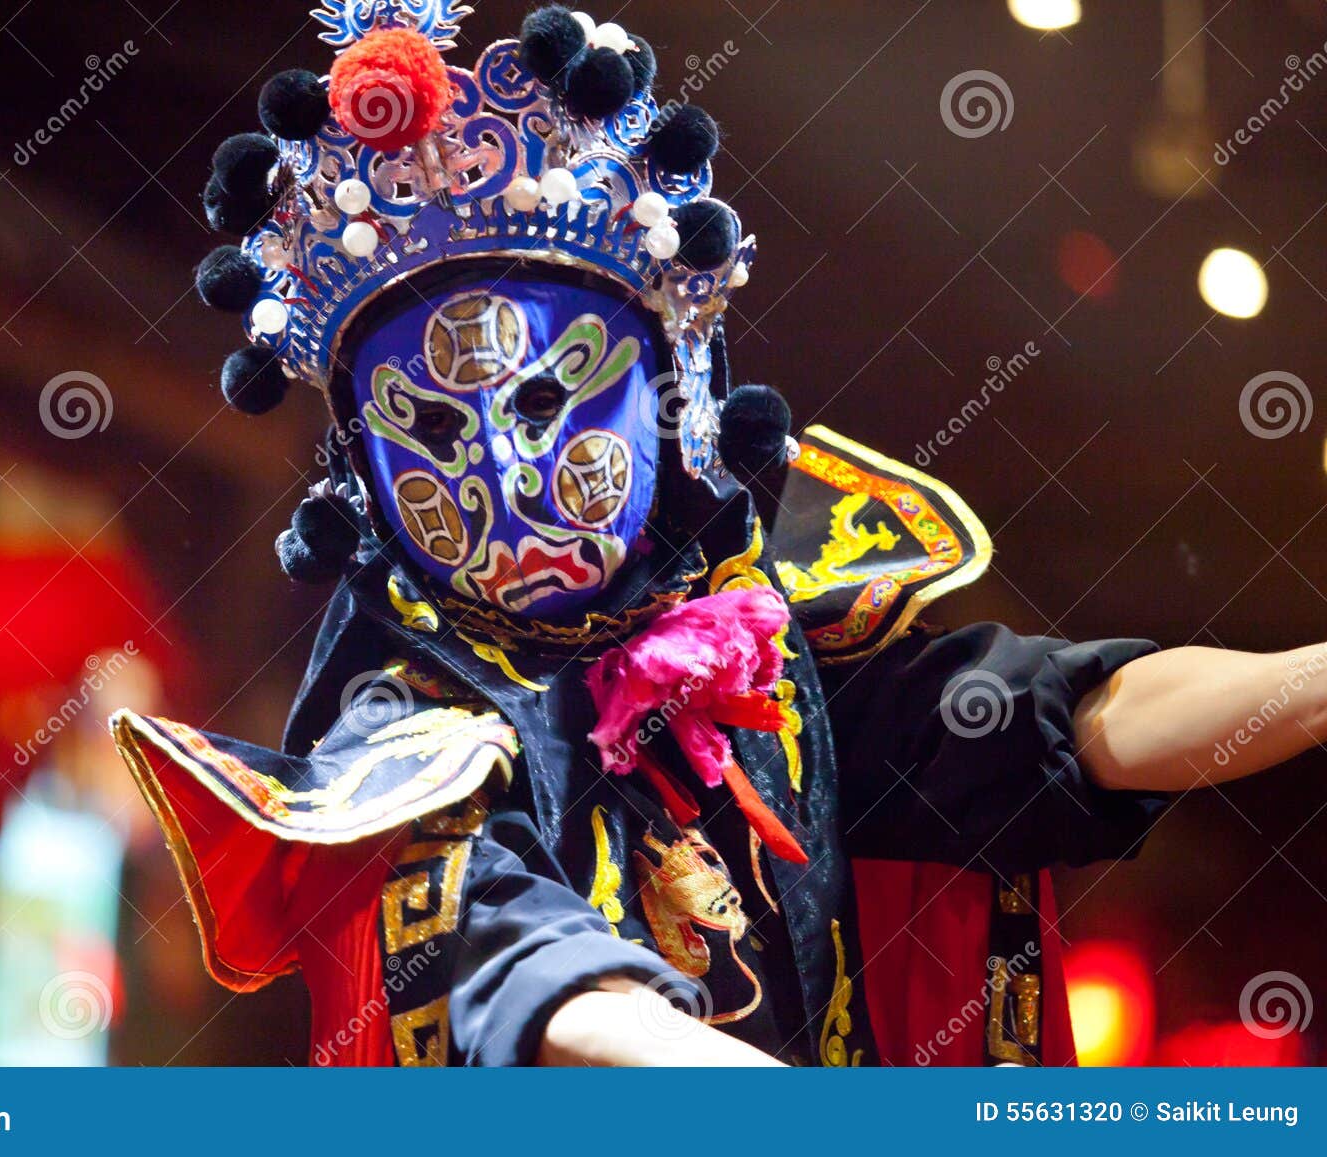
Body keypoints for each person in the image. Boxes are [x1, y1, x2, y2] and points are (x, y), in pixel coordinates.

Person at [112, 1, 1318, 1066]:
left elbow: (1042, 717)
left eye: (547, 399)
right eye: (429, 429)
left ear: (673, 402)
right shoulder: (410, 729)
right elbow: (508, 958)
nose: (505, 466)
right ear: (368, 480)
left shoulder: (768, 653)